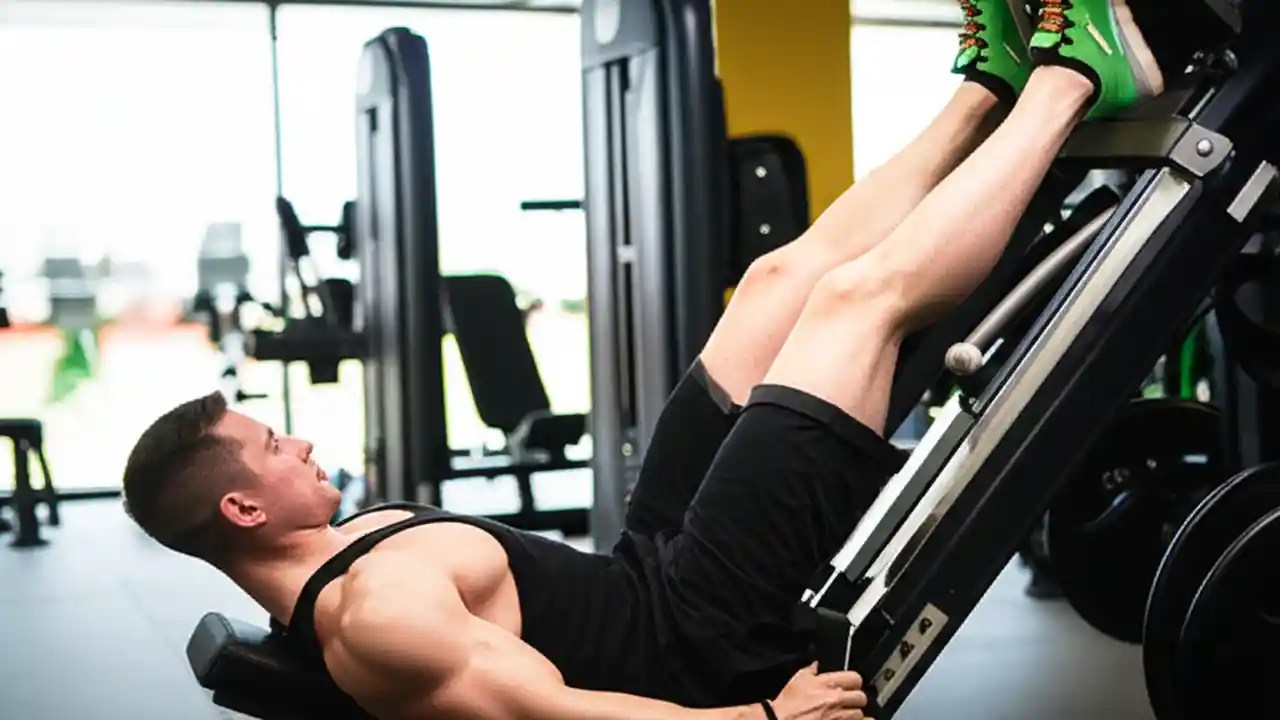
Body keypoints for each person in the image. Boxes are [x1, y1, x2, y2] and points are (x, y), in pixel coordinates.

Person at [121, 2, 1164, 718]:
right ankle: (1075, 77)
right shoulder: (375, 625)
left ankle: (985, 91)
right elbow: (558, 715)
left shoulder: (347, 552)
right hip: (704, 640)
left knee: (776, 283)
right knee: (856, 307)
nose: (300, 442)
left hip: (649, 567)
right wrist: (765, 715)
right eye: (271, 446)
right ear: (242, 509)